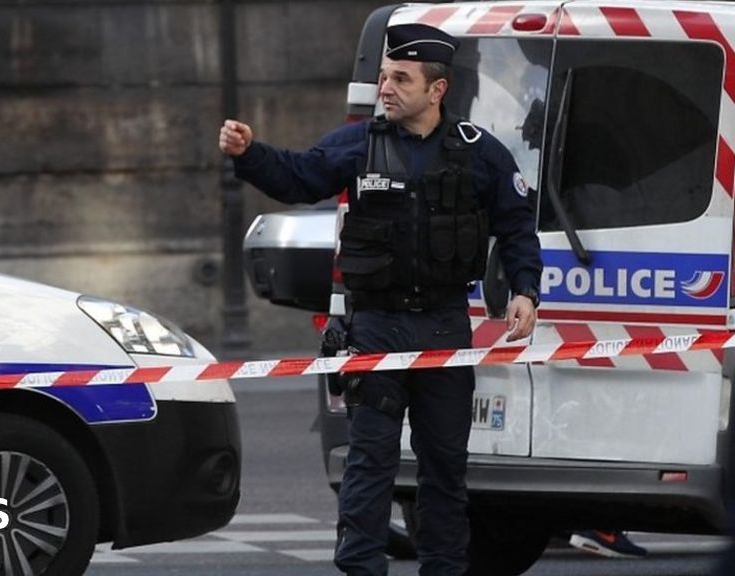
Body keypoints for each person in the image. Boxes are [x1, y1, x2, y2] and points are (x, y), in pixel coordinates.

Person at [219, 23, 541, 576]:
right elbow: (300, 176)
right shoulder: (359, 144)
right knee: (371, 463)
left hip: (444, 331)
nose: (384, 88)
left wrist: (525, 291)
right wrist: (251, 154)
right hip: (376, 331)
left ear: (436, 90)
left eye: (399, 78)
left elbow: (516, 227)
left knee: (445, 467)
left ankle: (443, 568)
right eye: (382, 76)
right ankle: (362, 568)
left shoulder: (477, 153)